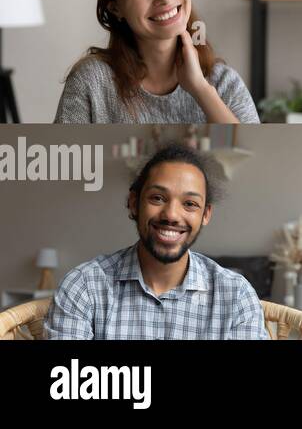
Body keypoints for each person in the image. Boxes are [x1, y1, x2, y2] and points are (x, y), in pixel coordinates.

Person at [45, 143, 268, 339]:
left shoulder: (236, 294)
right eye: (157, 198)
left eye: (190, 203)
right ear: (134, 203)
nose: (171, 215)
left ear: (206, 214)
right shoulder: (84, 286)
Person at [55, 0, 260, 124]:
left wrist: (200, 89)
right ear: (116, 8)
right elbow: (64, 157)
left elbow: (253, 155)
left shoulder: (224, 82)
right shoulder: (91, 81)